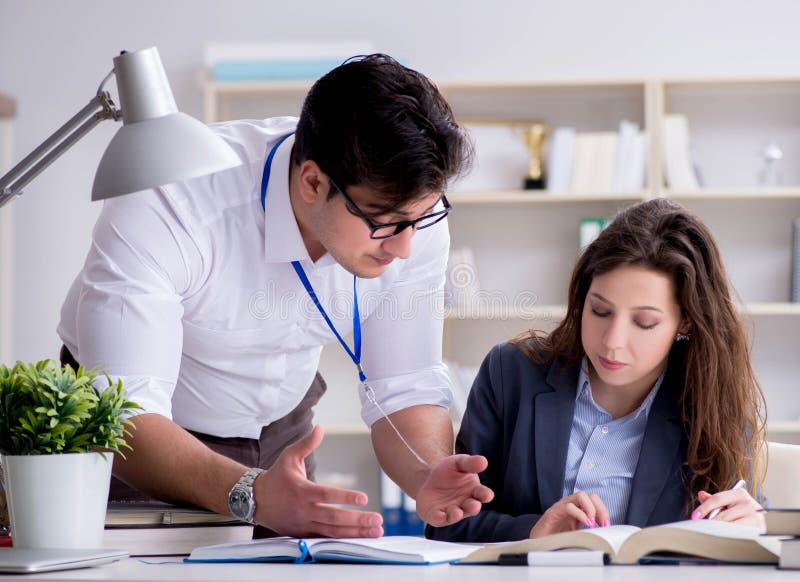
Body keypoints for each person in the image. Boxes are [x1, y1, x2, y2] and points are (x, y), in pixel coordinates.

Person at [57, 54, 493, 538]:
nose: (406, 246)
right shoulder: (171, 201)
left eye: (422, 218)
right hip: (146, 446)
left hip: (283, 434)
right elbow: (126, 412)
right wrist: (253, 493)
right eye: (383, 221)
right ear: (312, 181)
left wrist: (424, 472)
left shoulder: (409, 210)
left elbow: (405, 385)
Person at [427, 198, 767, 543]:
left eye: (644, 322)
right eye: (600, 311)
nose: (612, 342)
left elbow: (749, 520)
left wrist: (754, 528)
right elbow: (445, 523)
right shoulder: (510, 373)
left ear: (686, 321)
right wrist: (532, 531)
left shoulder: (712, 399)